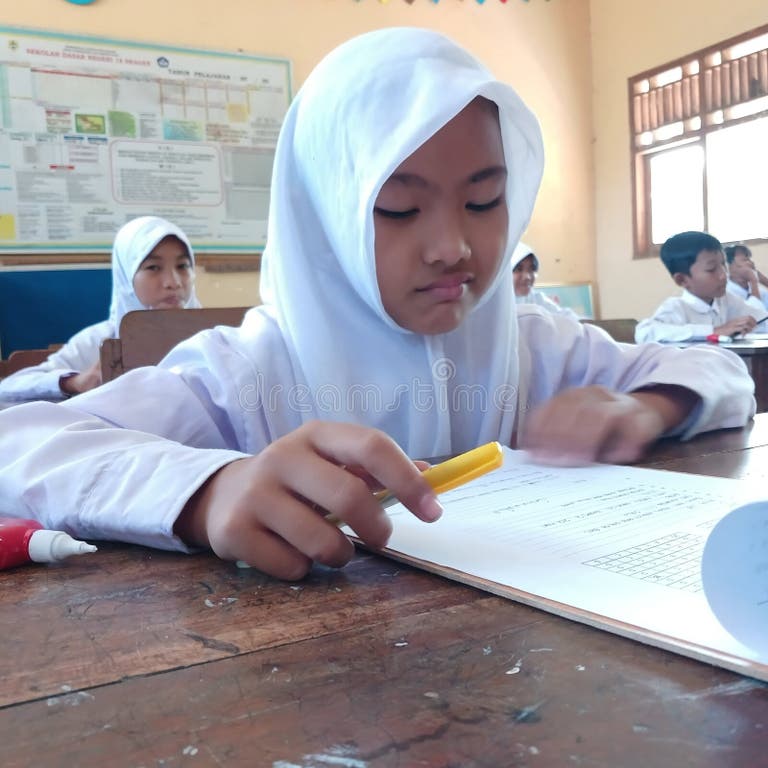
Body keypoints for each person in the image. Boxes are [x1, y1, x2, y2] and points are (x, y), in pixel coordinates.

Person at [0, 29, 755, 581]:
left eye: (485, 200)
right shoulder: (250, 370)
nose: (453, 246)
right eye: (398, 209)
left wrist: (648, 407)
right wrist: (209, 489)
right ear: (325, 218)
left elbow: (720, 373)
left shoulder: (532, 342)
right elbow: (19, 443)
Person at [0, 216, 201, 401]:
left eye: (182, 266)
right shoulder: (101, 340)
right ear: (126, 279)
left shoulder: (214, 335)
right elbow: (8, 389)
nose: (173, 282)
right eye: (153, 268)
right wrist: (74, 382)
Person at [635, 231, 766, 343]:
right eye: (711, 269)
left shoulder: (727, 301)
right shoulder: (677, 307)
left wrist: (750, 324)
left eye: (723, 265)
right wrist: (713, 332)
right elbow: (644, 333)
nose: (723, 275)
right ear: (682, 279)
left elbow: (762, 320)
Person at [512, 241, 580, 320]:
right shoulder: (498, 304)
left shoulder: (537, 299)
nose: (527, 277)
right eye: (519, 269)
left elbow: (568, 317)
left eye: (532, 269)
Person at [725, 243, 768, 311]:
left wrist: (760, 277)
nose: (751, 263)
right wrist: (753, 280)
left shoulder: (759, 291)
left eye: (750, 260)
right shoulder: (726, 292)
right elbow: (754, 313)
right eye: (745, 260)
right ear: (729, 266)